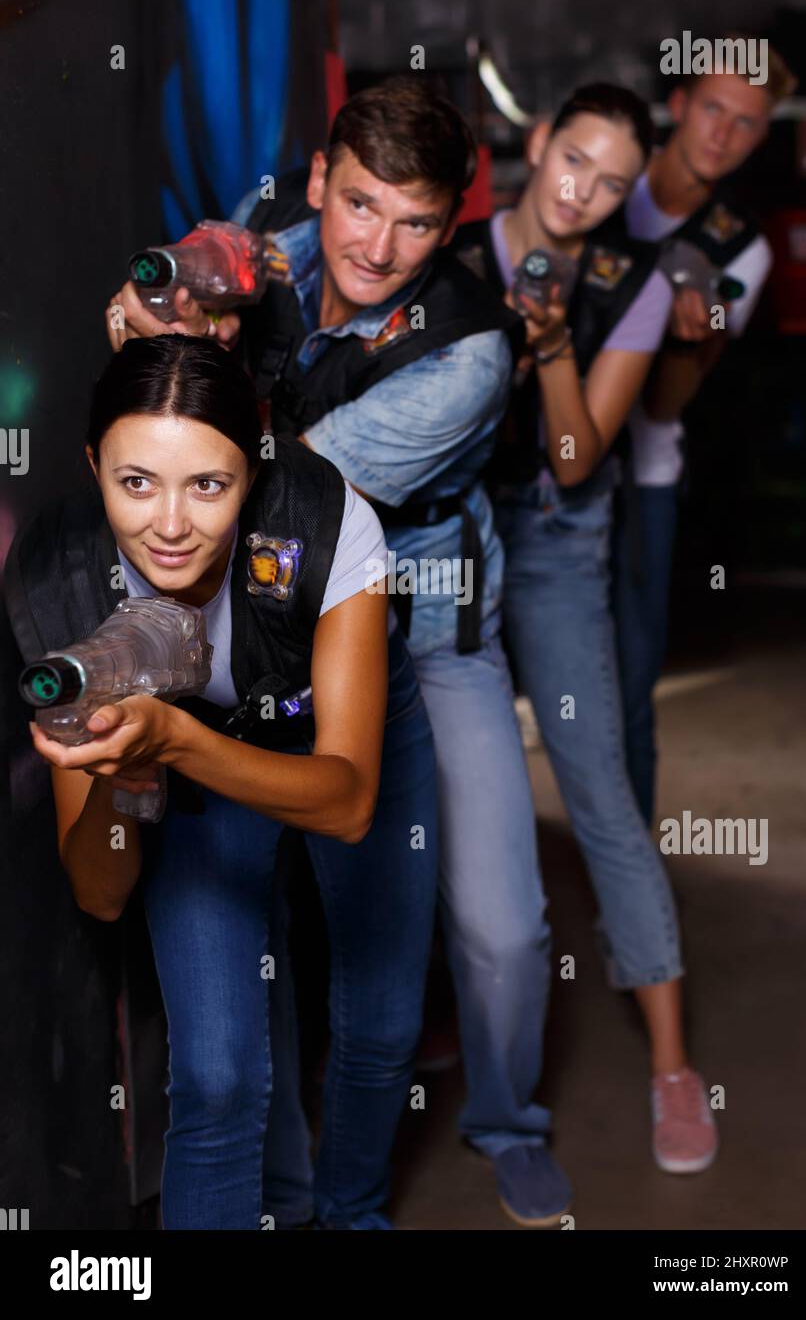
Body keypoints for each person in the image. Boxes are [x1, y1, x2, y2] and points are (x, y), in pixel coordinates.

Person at [108, 77, 572, 1227]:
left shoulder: (465, 354)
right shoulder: (273, 244)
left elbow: (270, 490)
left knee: (474, 944)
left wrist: (177, 377)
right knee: (249, 983)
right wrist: (148, 307)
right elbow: (191, 297)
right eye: (360, 205)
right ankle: (289, 1201)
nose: (378, 244)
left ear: (452, 224)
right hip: (254, 651)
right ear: (321, 182)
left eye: (416, 221)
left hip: (412, 633)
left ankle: (461, 1149)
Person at [7, 334, 439, 1230]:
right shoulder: (62, 580)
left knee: (382, 1013)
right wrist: (128, 774)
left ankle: (351, 1212)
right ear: (94, 467)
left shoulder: (326, 519)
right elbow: (97, 889)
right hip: (193, 742)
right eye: (136, 483)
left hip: (336, 732)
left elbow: (349, 801)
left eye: (208, 484)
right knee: (217, 1073)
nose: (170, 524)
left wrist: (170, 741)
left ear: (254, 469)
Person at [451, 83, 717, 1173]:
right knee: (436, 801)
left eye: (612, 184)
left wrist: (552, 343)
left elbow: (577, 457)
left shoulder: (636, 282)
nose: (584, 194)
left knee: (601, 796)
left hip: (558, 541)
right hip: (451, 539)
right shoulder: (448, 255)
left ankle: (670, 1064)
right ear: (537, 140)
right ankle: (443, 1020)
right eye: (574, 163)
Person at [612, 43, 797, 824]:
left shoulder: (740, 249)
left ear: (760, 138)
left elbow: (662, 408)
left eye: (747, 123)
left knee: (630, 690)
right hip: (531, 474)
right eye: (714, 108)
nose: (724, 133)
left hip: (642, 481)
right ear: (680, 103)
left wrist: (691, 339)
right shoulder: (602, 182)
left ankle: (629, 882)